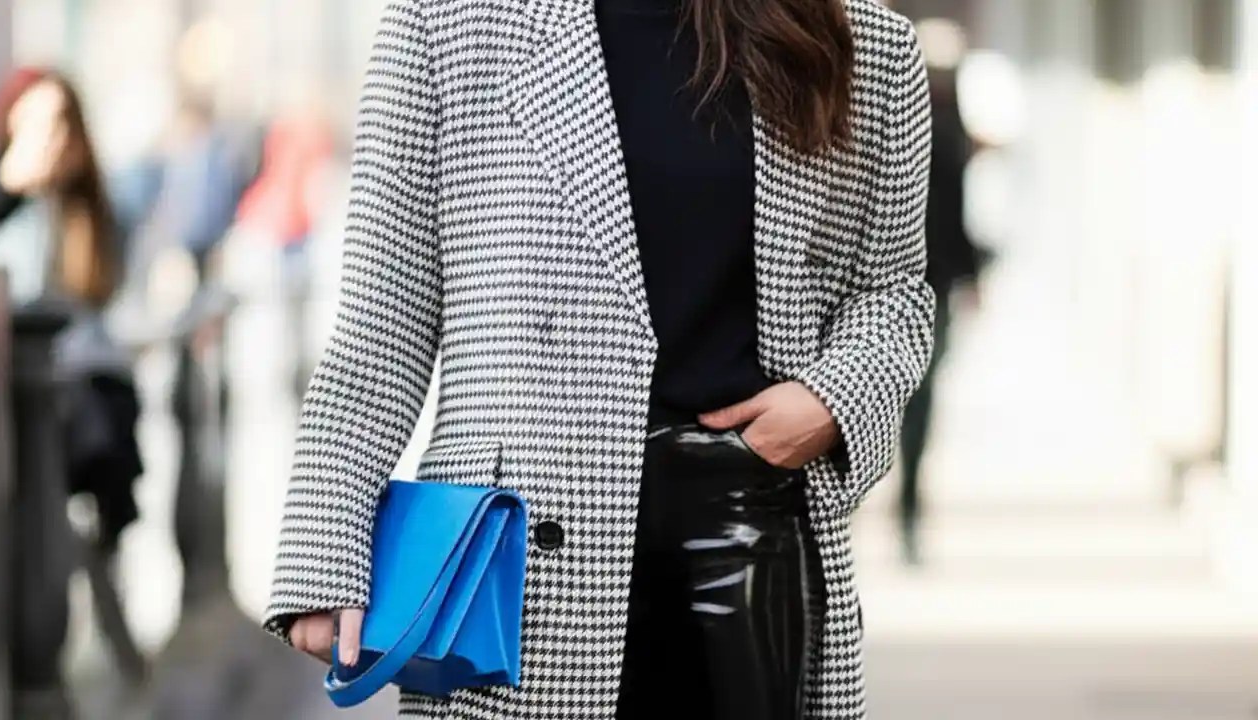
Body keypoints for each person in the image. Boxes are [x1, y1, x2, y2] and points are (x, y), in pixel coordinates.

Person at [262, 0, 934, 718]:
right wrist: (325, 546)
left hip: (750, 538)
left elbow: (893, 291)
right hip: (524, 558)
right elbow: (382, 314)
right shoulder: (450, 23)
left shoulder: (863, 44)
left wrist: (831, 402)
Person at [0, 67, 142, 549]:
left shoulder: (90, 212)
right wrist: (7, 187)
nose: (49, 141)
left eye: (59, 125)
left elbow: (107, 307)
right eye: (36, 124)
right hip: (4, 390)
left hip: (72, 393)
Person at [897, 50, 985, 568]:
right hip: (930, 287)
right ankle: (908, 512)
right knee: (919, 401)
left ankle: (885, 509)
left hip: (910, 284)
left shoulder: (899, 129)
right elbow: (955, 213)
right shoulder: (948, 135)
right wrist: (970, 276)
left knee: (897, 401)